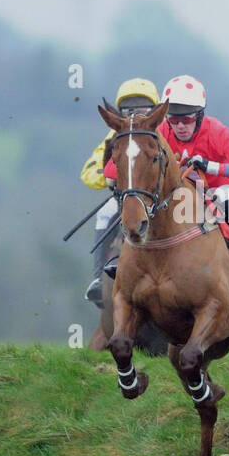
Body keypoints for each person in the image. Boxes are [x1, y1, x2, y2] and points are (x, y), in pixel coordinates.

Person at [103, 75, 229, 290]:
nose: (180, 126)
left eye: (188, 119)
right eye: (173, 119)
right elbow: (112, 170)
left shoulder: (216, 132)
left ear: (200, 115)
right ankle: (125, 258)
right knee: (136, 200)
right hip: (173, 194)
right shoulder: (159, 132)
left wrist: (212, 167)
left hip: (212, 192)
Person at [80, 78, 159, 304]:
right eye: (128, 109)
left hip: (162, 196)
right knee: (106, 211)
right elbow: (89, 172)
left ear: (154, 110)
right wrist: (110, 177)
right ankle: (99, 278)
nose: (134, 114)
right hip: (130, 196)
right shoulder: (115, 135)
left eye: (142, 108)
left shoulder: (161, 131)